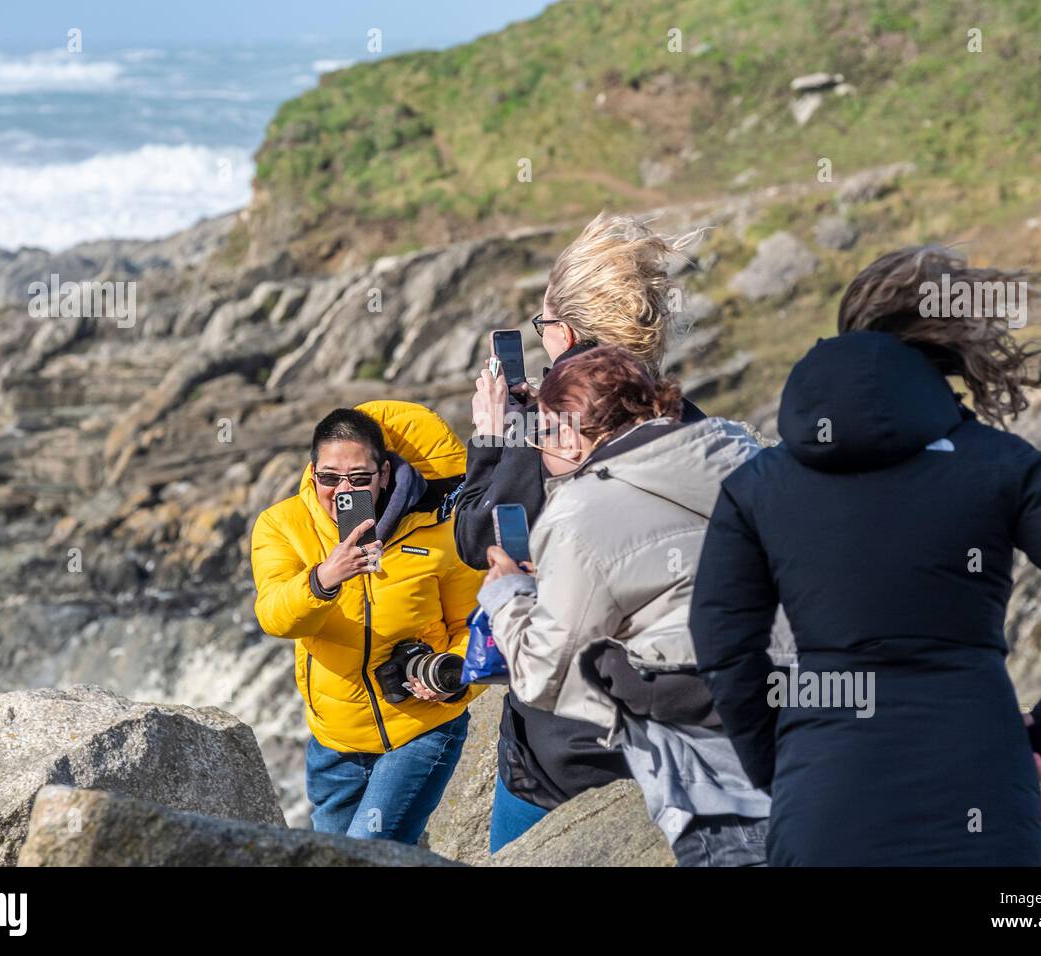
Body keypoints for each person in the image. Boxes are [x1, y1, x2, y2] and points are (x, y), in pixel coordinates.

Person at [689, 246, 1041, 866]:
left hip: (824, 799)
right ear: (945, 346)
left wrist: (779, 762)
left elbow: (721, 641)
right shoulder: (1001, 463)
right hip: (982, 792)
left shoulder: (758, 485)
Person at [455, 212, 709, 851]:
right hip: (688, 730)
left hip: (565, 746)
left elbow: (485, 539)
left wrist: (497, 436)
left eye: (542, 324)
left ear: (562, 333)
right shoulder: (696, 426)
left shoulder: (543, 432)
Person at [476, 346, 776, 866]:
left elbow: (542, 673)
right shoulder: (738, 450)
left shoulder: (579, 514)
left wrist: (507, 594)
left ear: (569, 437)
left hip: (707, 762)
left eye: (543, 434)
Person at [250, 400, 485, 844]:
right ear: (312, 470)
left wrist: (454, 675)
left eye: (359, 479)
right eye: (329, 478)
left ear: (383, 474)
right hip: (334, 743)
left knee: (365, 852)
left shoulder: (438, 530)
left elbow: (475, 622)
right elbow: (275, 617)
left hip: (422, 728)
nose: (343, 490)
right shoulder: (282, 526)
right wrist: (323, 580)